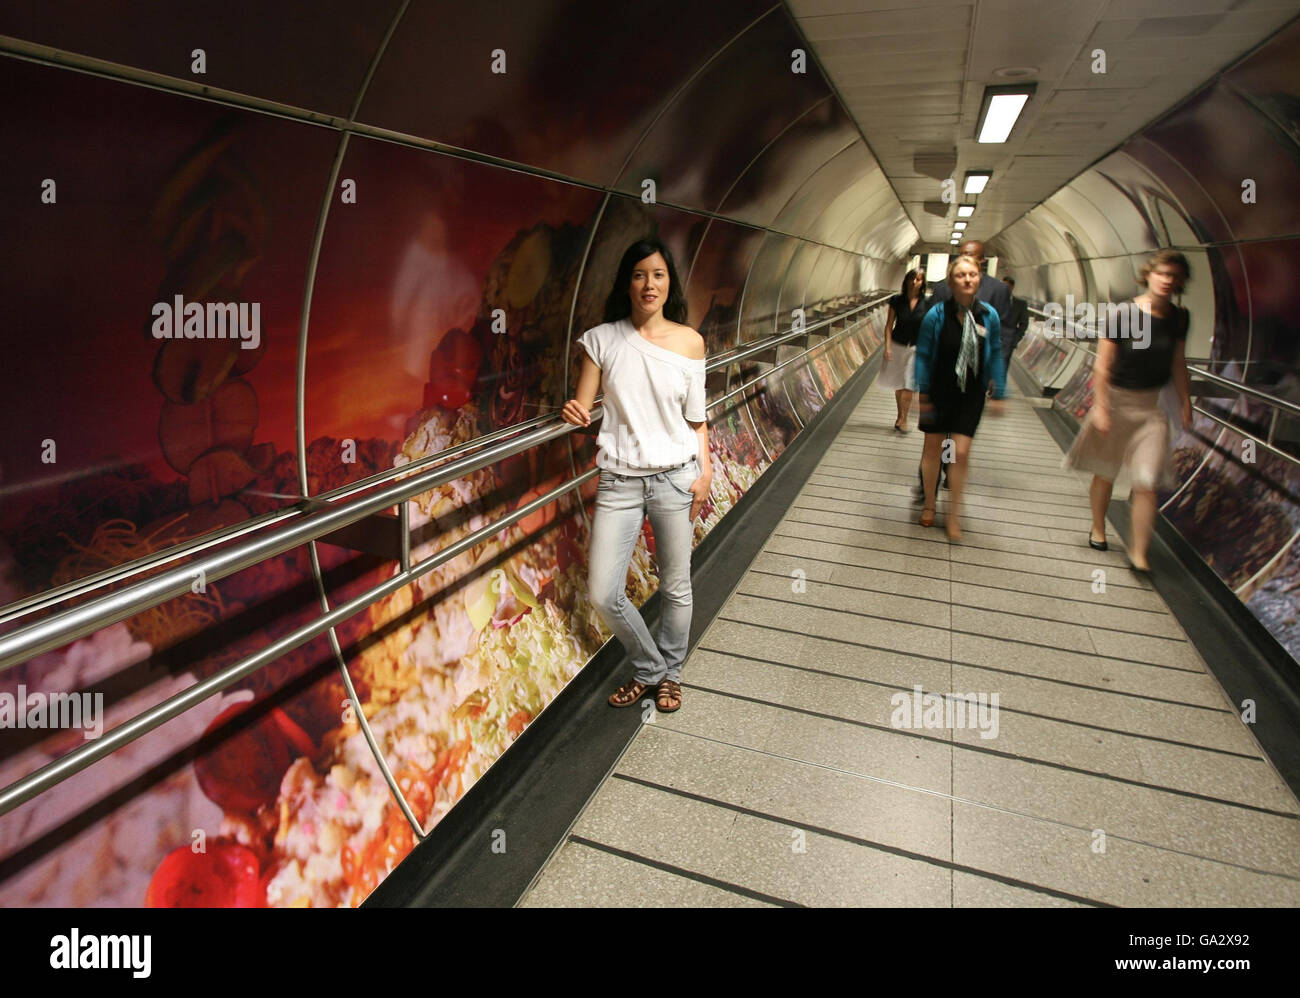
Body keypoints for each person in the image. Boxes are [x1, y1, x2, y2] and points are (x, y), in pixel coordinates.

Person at [562, 238, 710, 713]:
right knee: (604, 592)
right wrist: (574, 411)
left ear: (670, 284)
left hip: (675, 477)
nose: (650, 284)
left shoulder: (690, 342)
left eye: (659, 275)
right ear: (627, 283)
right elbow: (584, 405)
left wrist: (705, 472)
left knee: (675, 585)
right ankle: (651, 669)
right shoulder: (601, 340)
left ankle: (672, 675)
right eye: (640, 275)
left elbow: (697, 419)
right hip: (619, 481)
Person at [1063, 249, 1194, 573]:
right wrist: (1103, 408)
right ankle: (1098, 527)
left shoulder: (1179, 318)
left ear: (1180, 283)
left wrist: (1185, 400)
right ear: (1148, 274)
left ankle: (1138, 550)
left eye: (1174, 277)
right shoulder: (1124, 313)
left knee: (1146, 481)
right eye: (1163, 273)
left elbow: (1178, 361)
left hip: (1151, 409)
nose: (1167, 281)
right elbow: (1103, 365)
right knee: (1105, 471)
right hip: (1118, 402)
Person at [914, 255, 1007, 541]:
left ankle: (953, 512)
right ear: (951, 282)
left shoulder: (988, 315)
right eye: (961, 275)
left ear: (979, 279)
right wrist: (923, 390)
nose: (968, 279)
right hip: (939, 391)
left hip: (971, 394)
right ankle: (930, 502)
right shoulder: (937, 315)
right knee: (934, 450)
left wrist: (1000, 391)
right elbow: (924, 353)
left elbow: (995, 351)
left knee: (958, 452)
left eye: (973, 274)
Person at [880, 268, 927, 431]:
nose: (915, 282)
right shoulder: (897, 301)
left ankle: (905, 419)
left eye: (919, 279)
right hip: (897, 344)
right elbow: (888, 326)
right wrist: (887, 347)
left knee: (910, 383)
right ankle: (900, 415)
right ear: (907, 280)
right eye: (913, 278)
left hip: (916, 347)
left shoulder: (926, 303)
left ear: (923, 283)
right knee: (899, 383)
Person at [1001, 276, 1030, 370]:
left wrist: (1015, 339)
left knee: (1003, 368)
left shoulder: (1020, 304)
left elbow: (1024, 323)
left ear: (1012, 287)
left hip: (1008, 342)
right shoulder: (993, 300)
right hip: (992, 340)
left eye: (1007, 287)